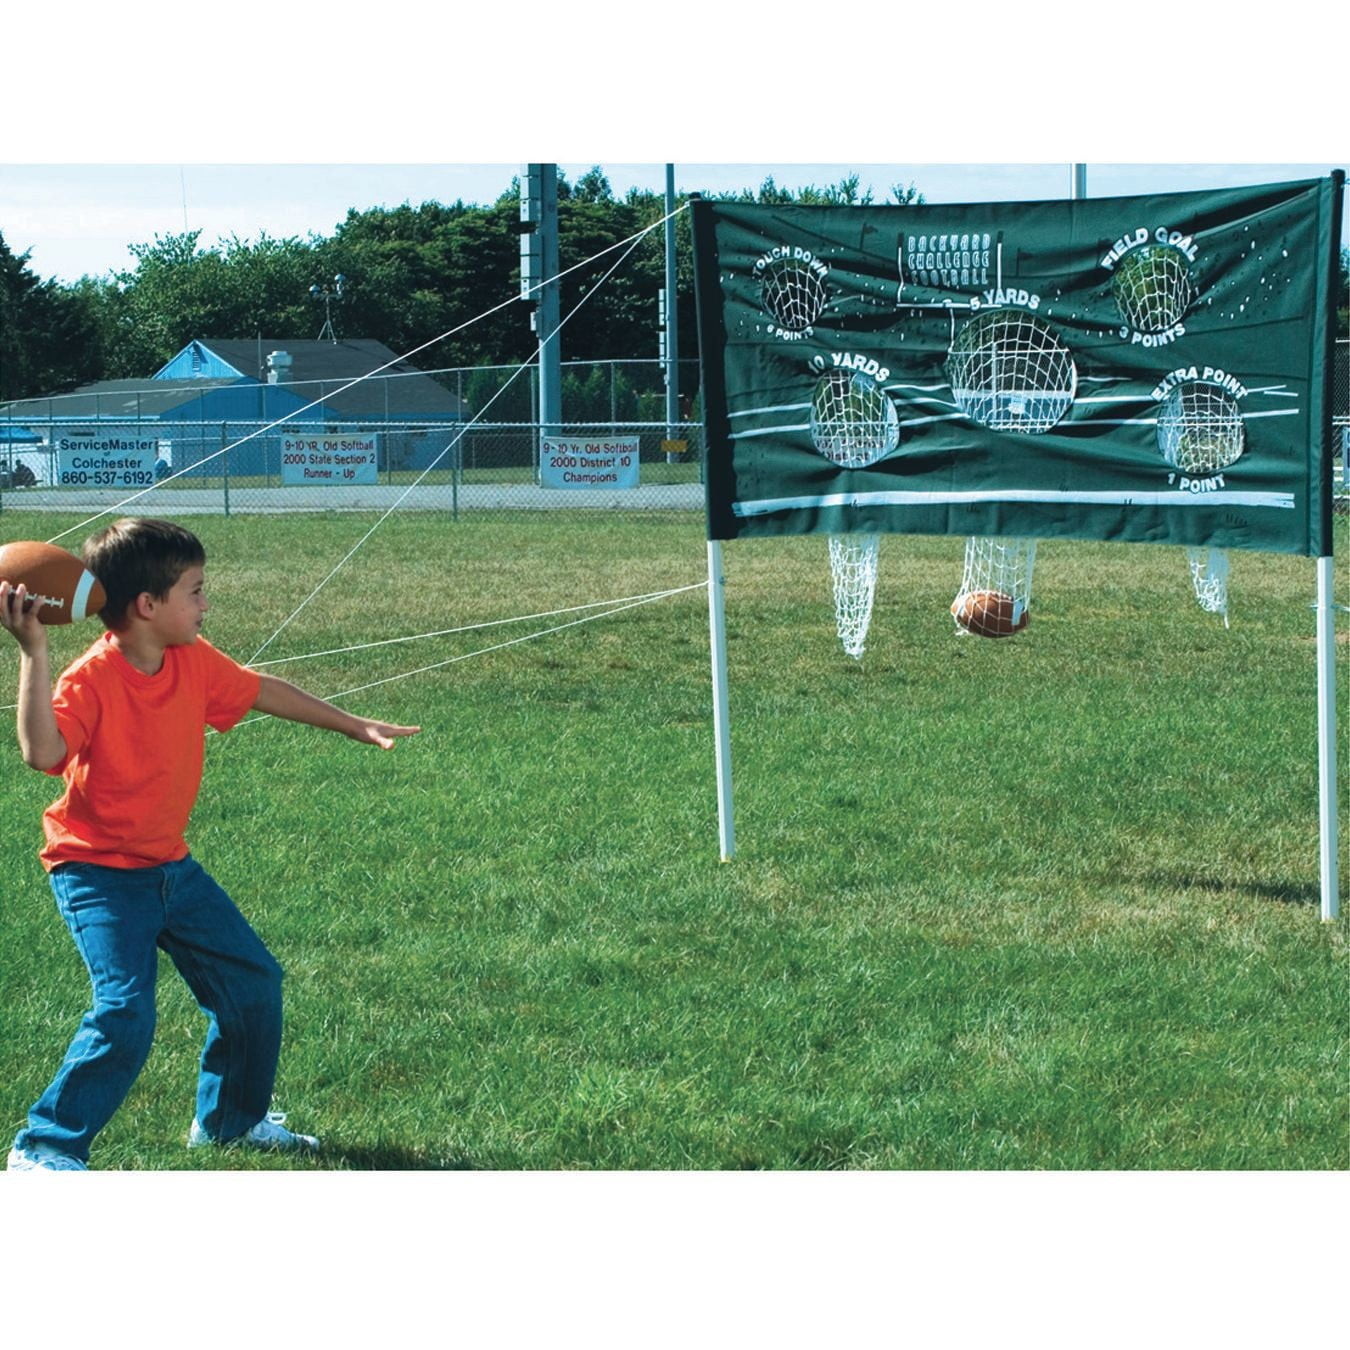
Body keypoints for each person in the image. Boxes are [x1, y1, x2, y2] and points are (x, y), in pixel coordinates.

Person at [1, 517, 420, 1170]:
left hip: (170, 867)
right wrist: (34, 653)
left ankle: (229, 1122)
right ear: (148, 606)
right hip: (98, 872)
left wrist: (351, 723)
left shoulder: (191, 660)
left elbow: (261, 690)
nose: (206, 604)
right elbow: (43, 752)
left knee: (253, 985)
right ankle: (44, 1150)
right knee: (125, 1011)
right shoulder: (91, 680)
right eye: (196, 591)